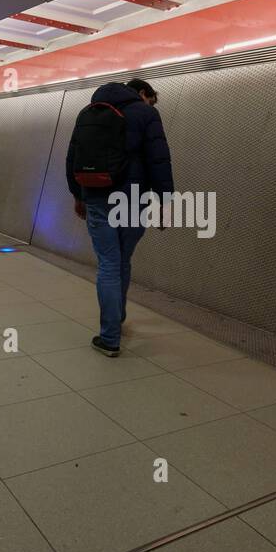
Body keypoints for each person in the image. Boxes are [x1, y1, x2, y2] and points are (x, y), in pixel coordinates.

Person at [65, 81, 173, 357]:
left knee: (109, 264)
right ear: (141, 94)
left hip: (97, 196)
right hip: (132, 199)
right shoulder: (146, 114)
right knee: (122, 261)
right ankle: (116, 322)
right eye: (150, 99)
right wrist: (165, 201)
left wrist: (79, 195)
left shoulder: (88, 111)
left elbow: (72, 157)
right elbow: (159, 159)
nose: (150, 105)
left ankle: (110, 334)